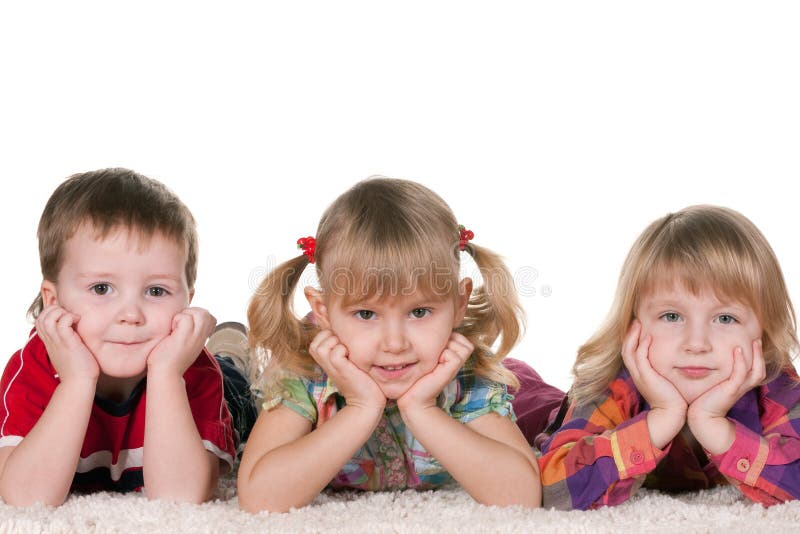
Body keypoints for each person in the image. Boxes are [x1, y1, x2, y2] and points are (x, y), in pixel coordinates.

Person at [238, 177, 549, 512]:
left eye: (419, 311)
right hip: (265, 375)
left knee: (540, 404)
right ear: (323, 311)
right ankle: (231, 349)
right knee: (235, 388)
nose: (395, 343)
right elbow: (259, 498)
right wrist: (360, 407)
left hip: (512, 382)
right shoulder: (304, 370)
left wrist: (422, 408)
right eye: (366, 314)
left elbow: (522, 496)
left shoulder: (464, 373)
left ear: (460, 303)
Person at [0, 168, 255, 506]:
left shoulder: (189, 369)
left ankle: (230, 354)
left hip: (228, 390)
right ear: (53, 300)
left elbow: (181, 498)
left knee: (243, 393)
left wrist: (166, 374)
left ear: (187, 300)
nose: (131, 314)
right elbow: (25, 497)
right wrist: (77, 381)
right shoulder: (32, 366)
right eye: (101, 288)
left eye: (156, 290)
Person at [538, 205, 800, 509]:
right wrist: (661, 418)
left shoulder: (777, 388)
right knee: (522, 396)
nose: (696, 343)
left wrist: (713, 425)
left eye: (726, 319)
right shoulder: (610, 386)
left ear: (763, 333)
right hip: (534, 406)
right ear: (632, 325)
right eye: (672, 316)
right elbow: (553, 490)